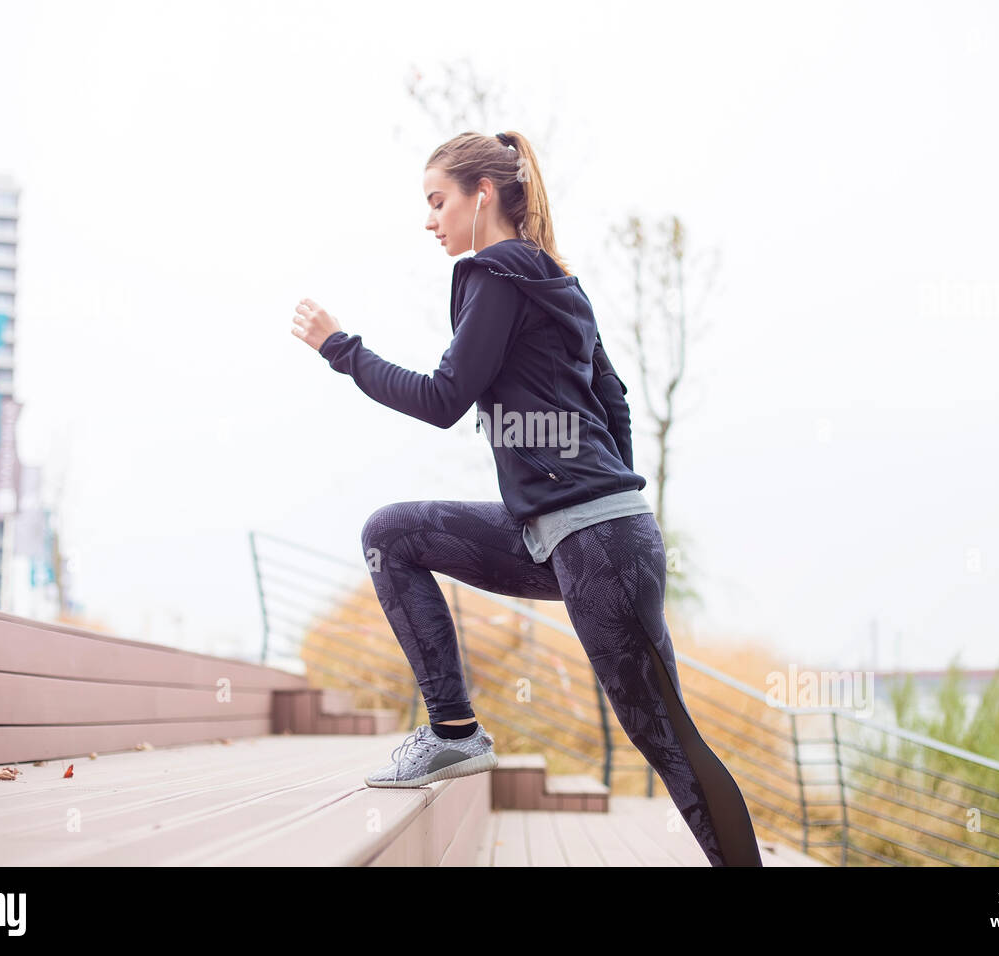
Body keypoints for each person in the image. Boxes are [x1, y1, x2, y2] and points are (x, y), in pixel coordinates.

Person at [289, 130, 763, 867]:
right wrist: (599, 503)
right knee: (393, 535)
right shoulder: (556, 282)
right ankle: (453, 733)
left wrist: (340, 348)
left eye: (437, 201)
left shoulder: (497, 276)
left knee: (669, 743)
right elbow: (617, 404)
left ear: (484, 196)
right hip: (574, 536)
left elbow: (445, 397)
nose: (429, 220)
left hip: (594, 542)